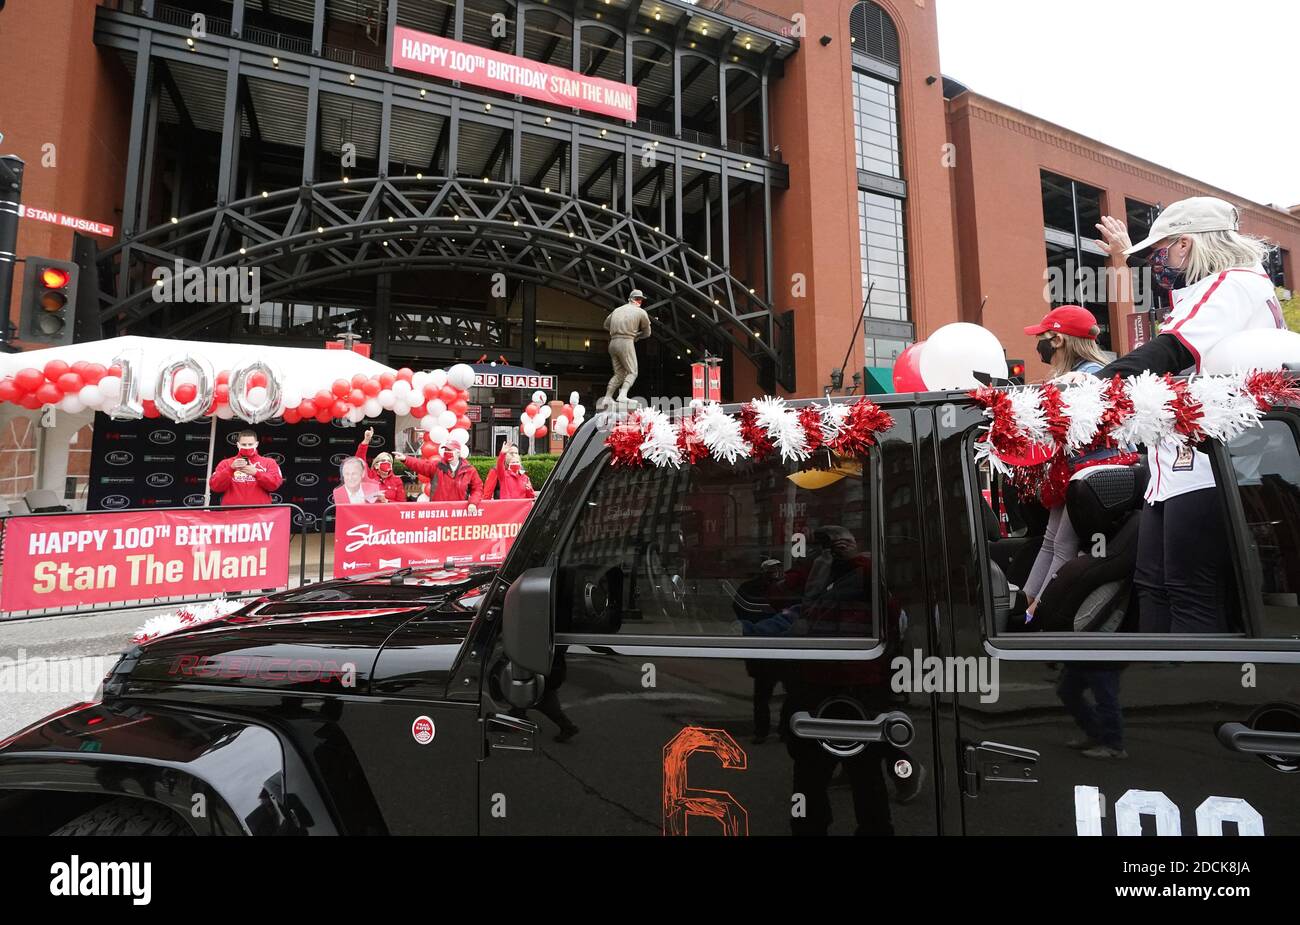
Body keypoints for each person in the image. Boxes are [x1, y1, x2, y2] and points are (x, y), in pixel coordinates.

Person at [1094, 197, 1285, 633]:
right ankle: (1161, 692)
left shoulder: (1233, 283)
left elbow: (1172, 349)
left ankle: (1191, 696)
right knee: (1152, 584)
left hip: (1209, 468)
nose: (1159, 262)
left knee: (1186, 590)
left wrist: (1092, 384)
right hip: (1183, 467)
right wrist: (1127, 256)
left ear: (1185, 244)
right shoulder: (1228, 287)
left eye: (1161, 251)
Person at [1020, 305, 1138, 619]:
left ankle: (1038, 614)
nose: (1040, 345)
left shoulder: (1085, 379)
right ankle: (1026, 604)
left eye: (1043, 337)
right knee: (1051, 540)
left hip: (1091, 473)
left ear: (1057, 340)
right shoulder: (1095, 373)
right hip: (1076, 469)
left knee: (1061, 544)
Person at [395, 441, 484, 515]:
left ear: (458, 452)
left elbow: (477, 488)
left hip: (459, 512)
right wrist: (405, 459)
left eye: (449, 450)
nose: (446, 452)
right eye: (445, 449)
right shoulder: (436, 466)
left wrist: (473, 502)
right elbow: (420, 465)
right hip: (438, 512)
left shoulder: (469, 470)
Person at [208, 429, 283, 506]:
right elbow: (215, 486)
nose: (247, 447)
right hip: (232, 513)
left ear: (256, 444)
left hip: (260, 513)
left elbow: (274, 485)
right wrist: (230, 469)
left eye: (250, 444)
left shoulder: (269, 462)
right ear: (238, 445)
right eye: (244, 445)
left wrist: (257, 473)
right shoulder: (226, 463)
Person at [602, 288, 652, 404]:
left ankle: (607, 397)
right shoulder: (640, 312)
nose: (640, 302)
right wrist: (637, 335)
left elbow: (605, 325)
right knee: (632, 372)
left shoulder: (616, 310)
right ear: (638, 301)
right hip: (626, 342)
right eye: (640, 300)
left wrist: (617, 331)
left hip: (613, 343)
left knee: (619, 373)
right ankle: (622, 395)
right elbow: (647, 333)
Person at [356, 427, 406, 502]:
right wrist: (366, 440)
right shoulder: (369, 475)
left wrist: (386, 501)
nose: (386, 462)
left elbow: (401, 503)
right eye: (383, 460)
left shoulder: (397, 480)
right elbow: (359, 460)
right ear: (376, 465)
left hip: (389, 512)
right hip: (370, 511)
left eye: (389, 461)